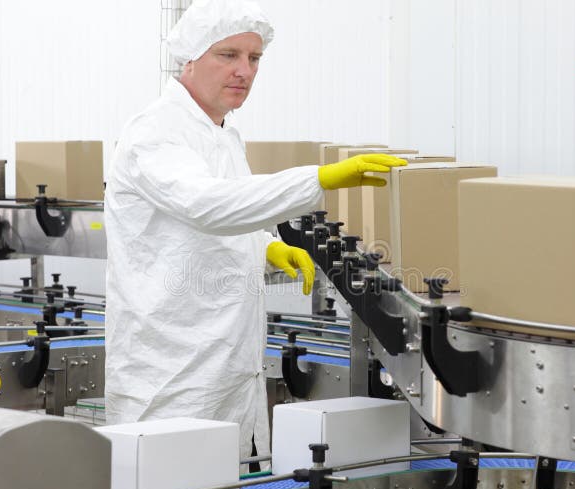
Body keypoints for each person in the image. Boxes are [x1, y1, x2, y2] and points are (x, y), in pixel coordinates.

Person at [104, 0, 406, 462]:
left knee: (224, 487)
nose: (244, 71)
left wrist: (266, 248)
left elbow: (219, 217)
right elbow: (207, 205)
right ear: (190, 57)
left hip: (227, 363)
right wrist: (319, 179)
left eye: (254, 58)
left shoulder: (224, 134)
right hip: (169, 371)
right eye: (228, 55)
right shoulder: (155, 132)